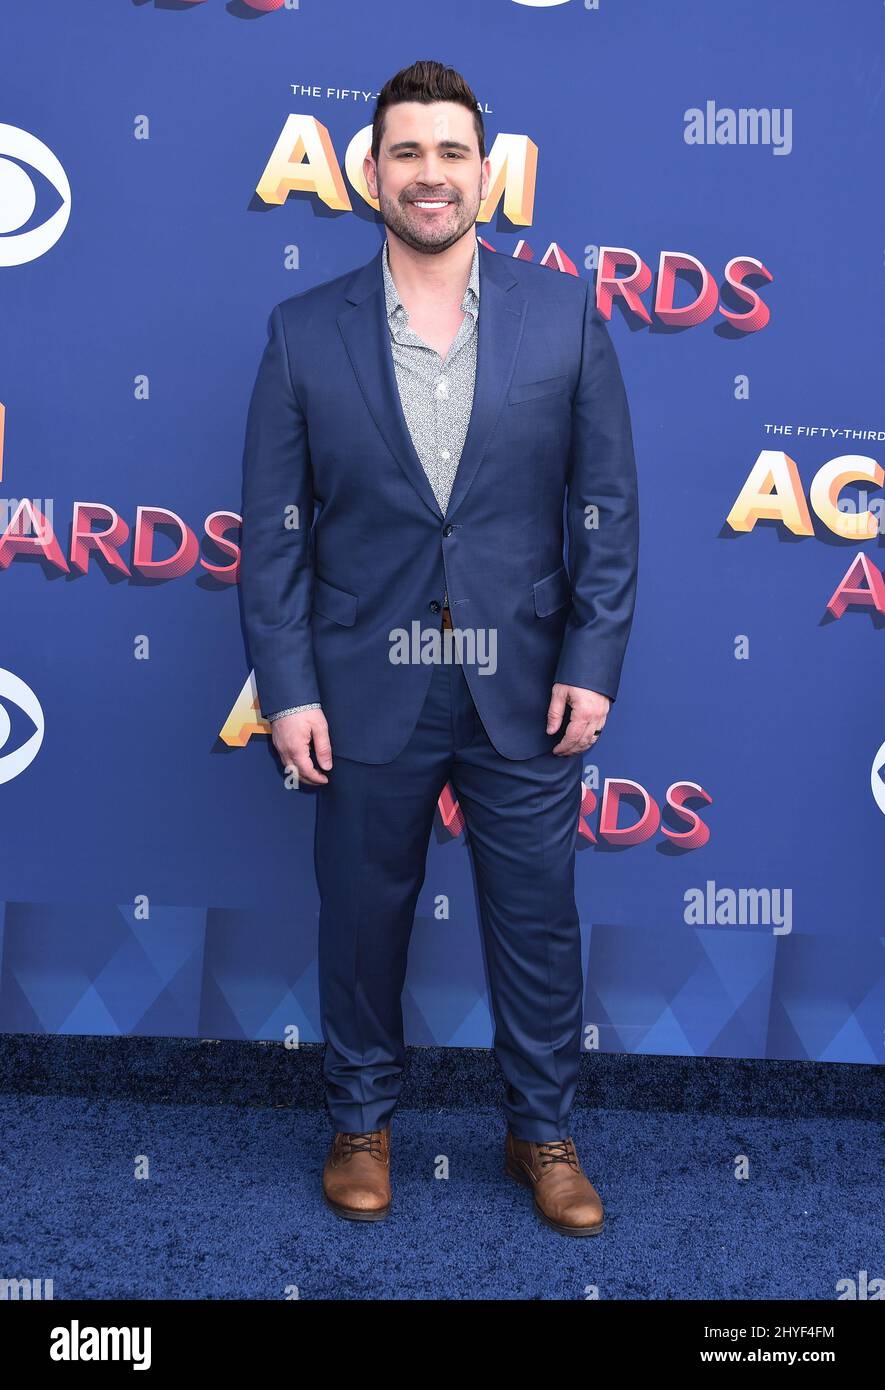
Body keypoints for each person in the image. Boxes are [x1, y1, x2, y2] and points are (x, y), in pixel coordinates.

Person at [240, 59, 639, 1237]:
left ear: (488, 171)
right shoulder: (302, 332)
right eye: (406, 152)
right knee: (361, 918)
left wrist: (592, 659)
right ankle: (360, 1120)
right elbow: (273, 538)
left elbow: (605, 507)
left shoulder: (563, 314)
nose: (429, 175)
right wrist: (289, 686)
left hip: (524, 685)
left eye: (451, 153)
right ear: (371, 172)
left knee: (538, 921)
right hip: (367, 682)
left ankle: (543, 1133)